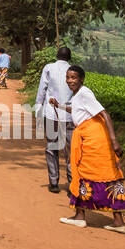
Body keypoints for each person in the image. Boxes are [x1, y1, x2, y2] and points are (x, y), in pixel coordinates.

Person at [52, 66, 125, 232]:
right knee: (105, 175)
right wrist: (59, 106)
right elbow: (79, 111)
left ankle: (81, 217)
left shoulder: (85, 92)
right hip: (90, 137)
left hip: (94, 140)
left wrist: (114, 141)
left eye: (74, 78)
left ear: (81, 79)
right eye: (68, 77)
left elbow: (104, 115)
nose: (70, 81)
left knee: (82, 173)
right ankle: (118, 221)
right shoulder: (78, 95)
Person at [34, 45, 73, 193]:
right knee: (70, 150)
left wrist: (38, 108)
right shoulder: (73, 70)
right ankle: (72, 185)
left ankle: (54, 182)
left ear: (57, 56)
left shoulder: (49, 68)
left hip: (51, 113)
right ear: (69, 58)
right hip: (69, 114)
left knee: (52, 146)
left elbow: (42, 89)